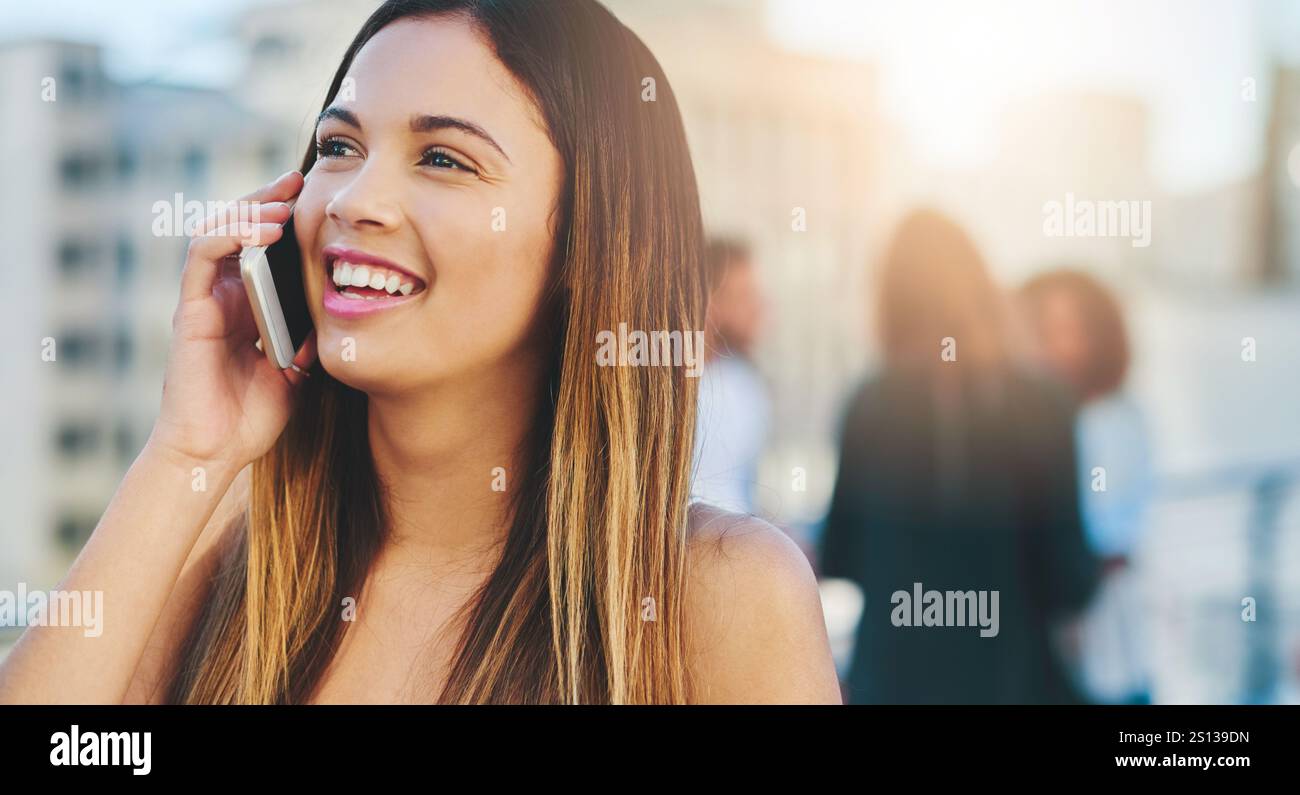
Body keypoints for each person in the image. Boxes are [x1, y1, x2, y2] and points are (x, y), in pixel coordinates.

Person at [0, 0, 840, 705]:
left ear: (590, 245)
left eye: (443, 158)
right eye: (338, 147)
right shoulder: (223, 552)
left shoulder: (724, 597)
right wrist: (185, 451)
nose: (357, 200)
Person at [819, 209, 1100, 704]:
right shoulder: (1043, 402)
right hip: (1010, 682)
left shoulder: (870, 402)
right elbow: (1068, 581)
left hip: (892, 683)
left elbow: (842, 554)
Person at [1019, 269, 1153, 704]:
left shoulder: (1107, 421)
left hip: (1101, 655)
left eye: (1067, 330)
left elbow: (1097, 538)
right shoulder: (1069, 419)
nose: (1051, 346)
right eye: (1041, 330)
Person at [692, 238, 771, 516]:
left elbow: (743, 492)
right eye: (744, 296)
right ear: (708, 300)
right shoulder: (678, 392)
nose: (759, 308)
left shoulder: (744, 383)